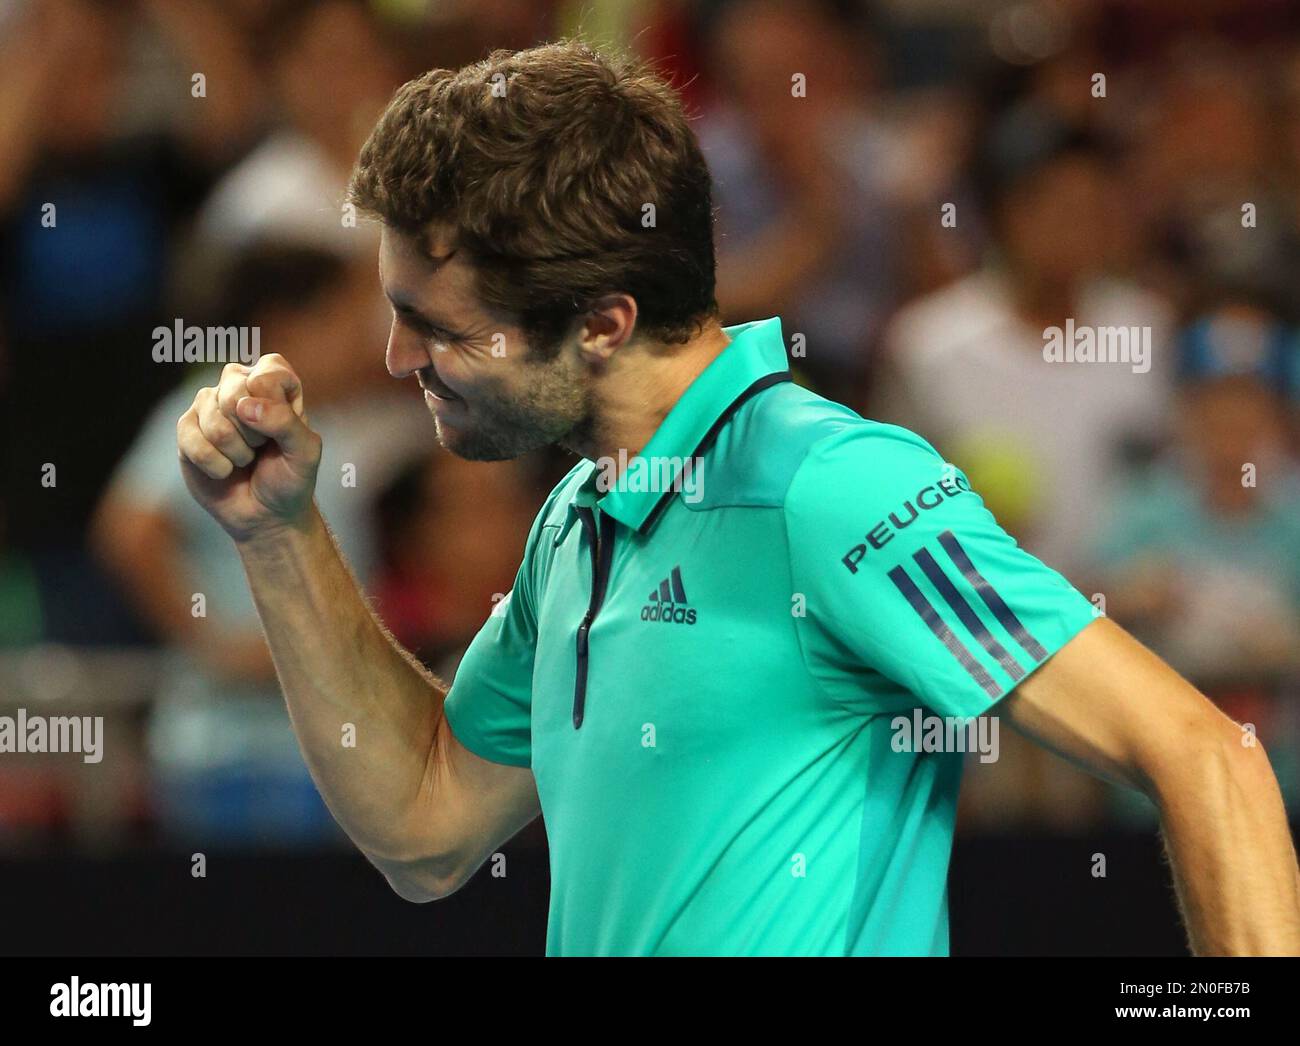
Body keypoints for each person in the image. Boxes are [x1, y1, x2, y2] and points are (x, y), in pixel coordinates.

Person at [174, 41, 1300, 955]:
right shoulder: (574, 525)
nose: (390, 357)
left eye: (437, 327)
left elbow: (1207, 757)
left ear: (605, 322)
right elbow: (423, 825)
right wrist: (279, 534)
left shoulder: (834, 489)